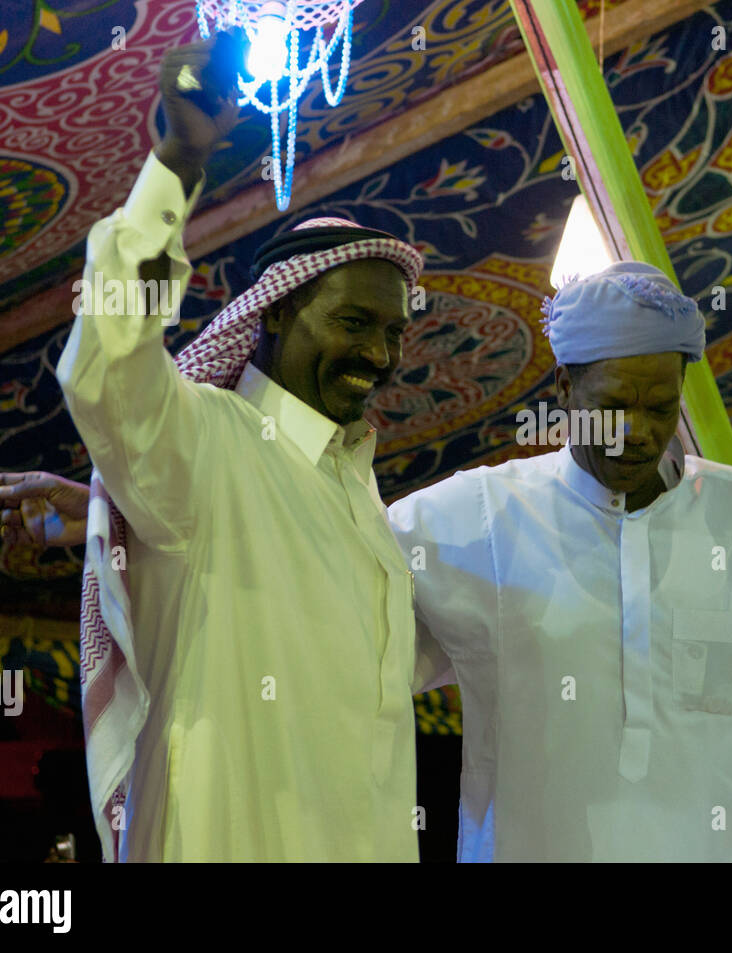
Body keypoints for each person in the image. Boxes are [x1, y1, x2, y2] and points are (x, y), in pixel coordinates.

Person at [0, 264, 732, 862]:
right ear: (560, 393)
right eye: (606, 404)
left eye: (657, 406)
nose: (631, 432)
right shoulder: (462, 518)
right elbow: (294, 585)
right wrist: (109, 511)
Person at [24, 30, 449, 862]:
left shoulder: (365, 510)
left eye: (394, 331)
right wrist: (179, 161)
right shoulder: (210, 448)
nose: (380, 353)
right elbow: (107, 363)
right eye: (355, 322)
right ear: (278, 310)